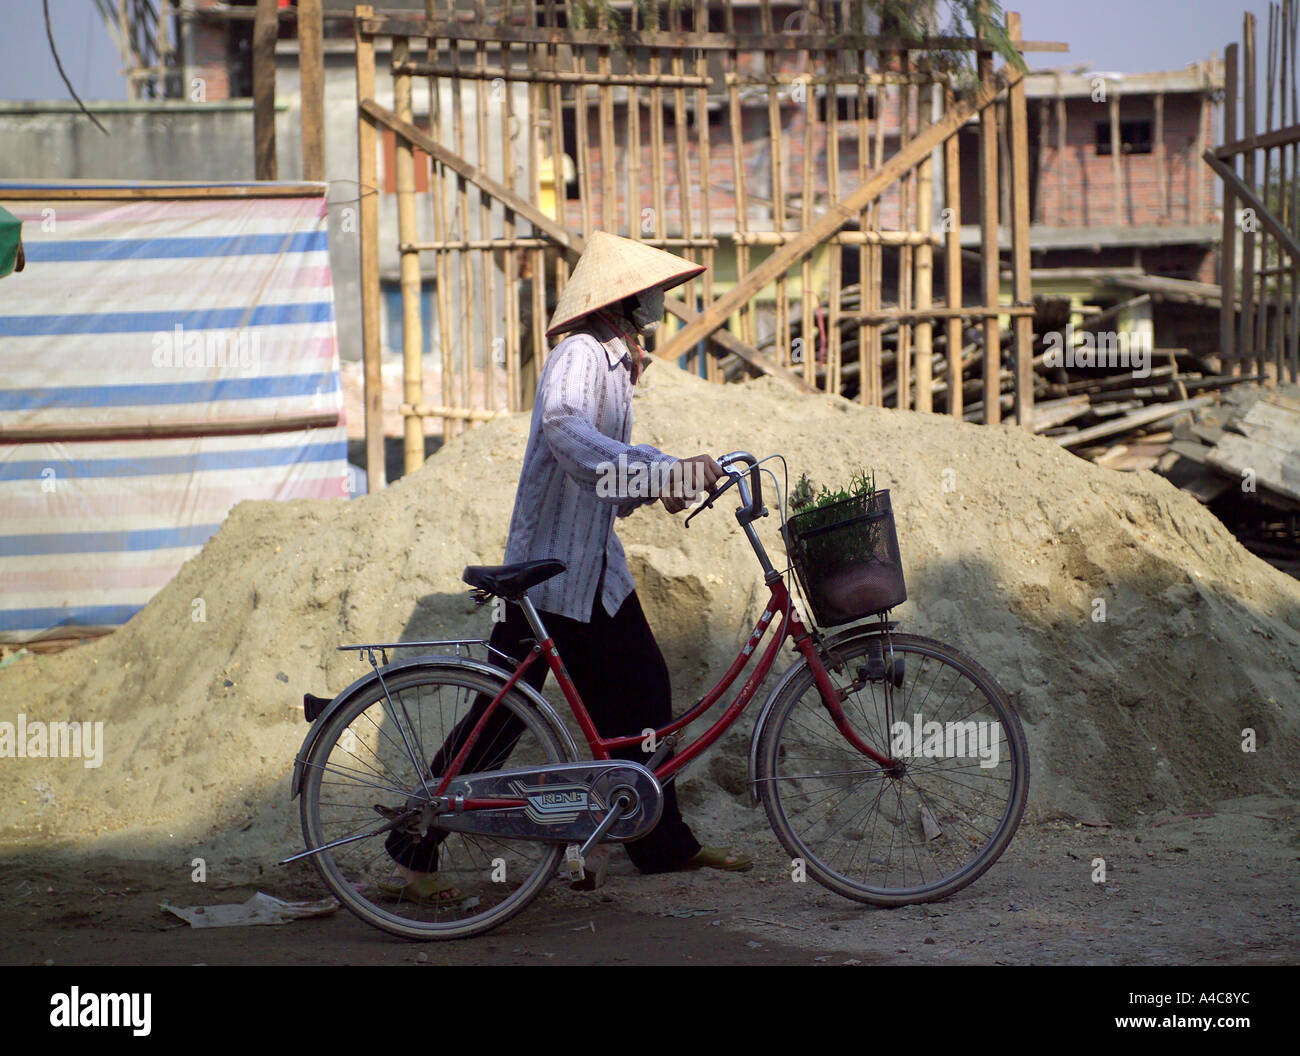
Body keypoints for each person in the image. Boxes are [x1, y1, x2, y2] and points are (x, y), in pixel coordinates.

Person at [383, 232, 753, 904]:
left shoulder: (615, 363)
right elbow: (565, 431)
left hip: (592, 570)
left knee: (641, 690)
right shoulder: (580, 355)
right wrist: (659, 470)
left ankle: (653, 840)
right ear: (624, 297)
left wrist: (658, 477)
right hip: (548, 574)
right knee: (500, 715)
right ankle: (414, 846)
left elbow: (606, 461)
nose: (662, 302)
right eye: (653, 291)